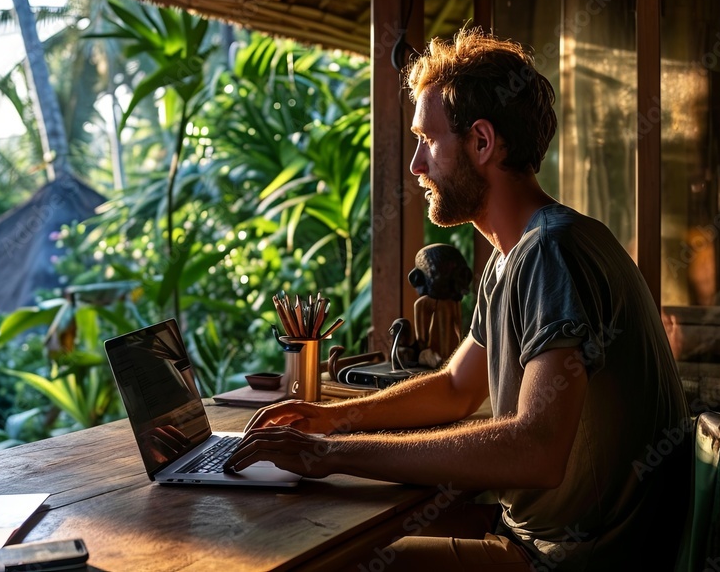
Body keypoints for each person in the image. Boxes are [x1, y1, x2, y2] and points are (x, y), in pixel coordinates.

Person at [225, 28, 691, 571]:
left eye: (428, 140)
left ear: (482, 142)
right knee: (318, 538)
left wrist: (331, 456)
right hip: (538, 538)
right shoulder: (513, 254)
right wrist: (332, 423)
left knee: (327, 562)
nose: (416, 166)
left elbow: (536, 448)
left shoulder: (551, 252)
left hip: (575, 559)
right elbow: (454, 388)